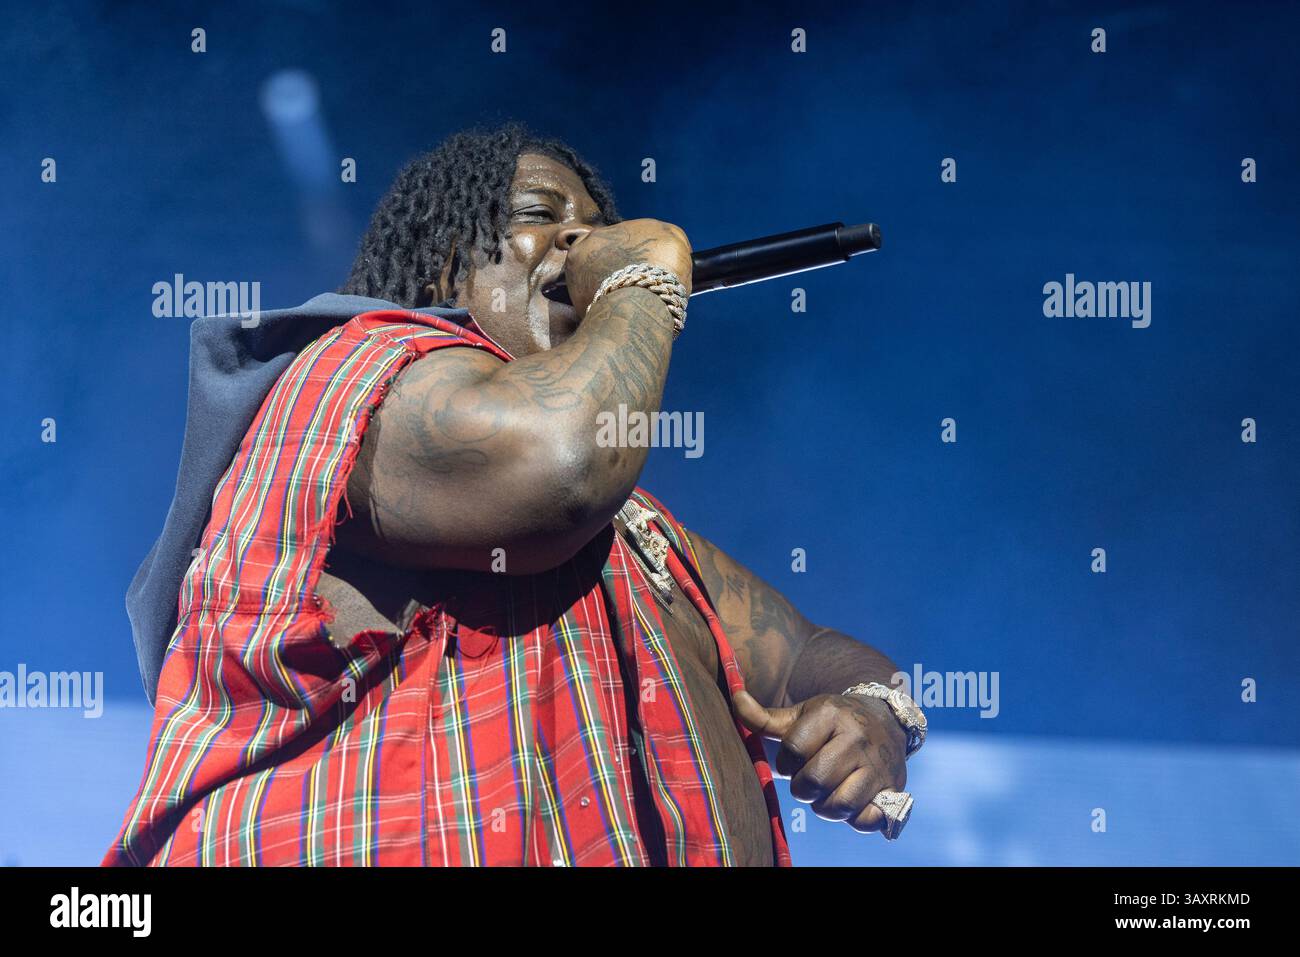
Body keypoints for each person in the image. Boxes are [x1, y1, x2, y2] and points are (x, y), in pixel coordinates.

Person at [105, 124, 924, 867]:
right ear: (439, 262)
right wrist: (643, 278)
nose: (583, 240)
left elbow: (810, 652)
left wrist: (870, 714)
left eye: (599, 229)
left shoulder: (636, 531)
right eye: (542, 213)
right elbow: (561, 466)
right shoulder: (355, 375)